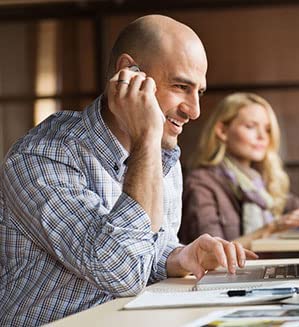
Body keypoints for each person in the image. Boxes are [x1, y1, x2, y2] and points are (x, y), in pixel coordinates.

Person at [0, 15, 256, 326]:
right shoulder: (43, 157)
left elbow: (144, 250)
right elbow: (119, 271)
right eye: (180, 86)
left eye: (198, 92)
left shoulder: (160, 156)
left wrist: (179, 257)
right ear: (130, 74)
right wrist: (146, 137)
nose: (194, 110)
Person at [179, 93, 299, 248]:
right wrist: (272, 228)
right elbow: (210, 253)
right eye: (250, 126)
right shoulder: (201, 182)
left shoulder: (258, 180)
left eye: (267, 129)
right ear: (222, 131)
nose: (262, 136)